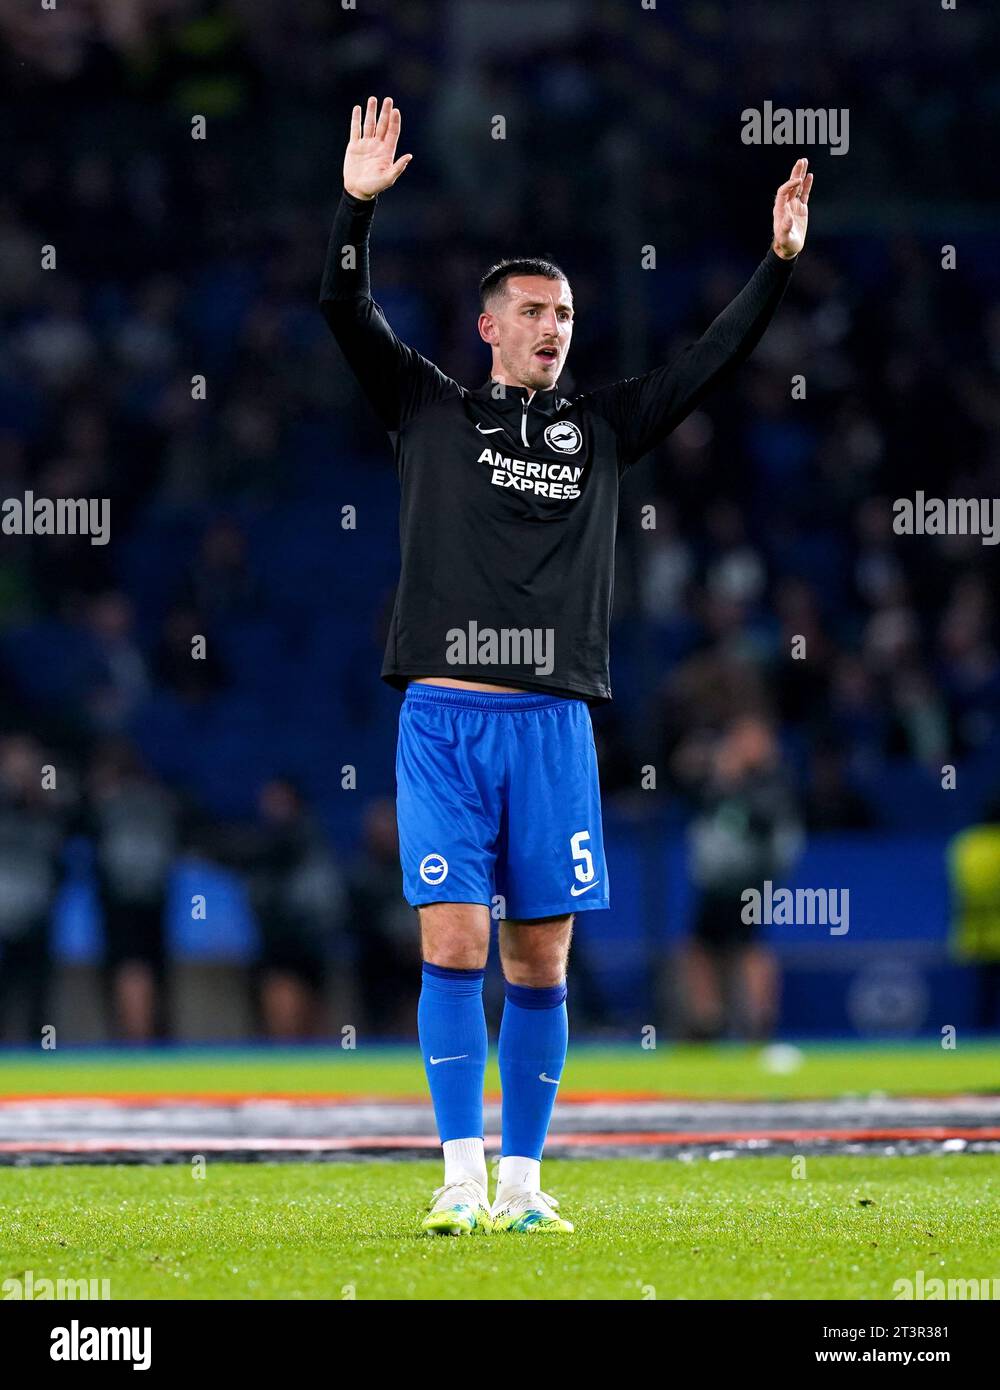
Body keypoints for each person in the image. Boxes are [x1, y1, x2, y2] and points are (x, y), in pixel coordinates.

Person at [320, 95, 811, 1235]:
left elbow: (709, 363)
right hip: (443, 719)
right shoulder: (426, 408)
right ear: (487, 326)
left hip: (552, 730)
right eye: (534, 312)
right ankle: (456, 1173)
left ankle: (527, 1185)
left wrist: (774, 265)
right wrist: (355, 208)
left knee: (539, 964)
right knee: (452, 941)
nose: (554, 328)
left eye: (567, 314)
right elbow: (341, 304)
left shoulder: (599, 428)